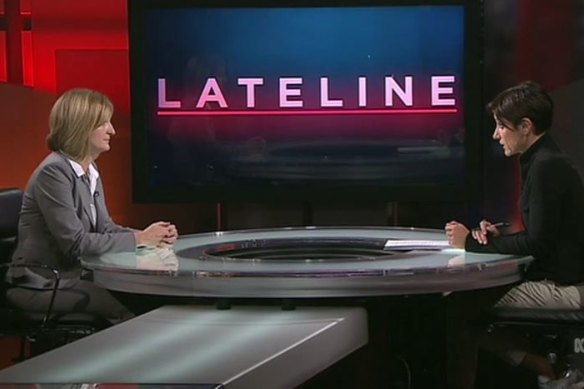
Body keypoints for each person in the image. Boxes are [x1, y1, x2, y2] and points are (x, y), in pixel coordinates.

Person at [444, 81, 584, 388]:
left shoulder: (547, 166)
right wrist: (496, 237)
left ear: (525, 126)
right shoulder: (543, 160)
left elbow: (538, 243)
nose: (496, 135)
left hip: (568, 287)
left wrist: (470, 243)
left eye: (501, 127)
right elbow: (545, 233)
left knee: (456, 306)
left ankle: (547, 368)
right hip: (558, 278)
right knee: (460, 305)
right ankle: (544, 366)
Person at [5, 88, 178, 324]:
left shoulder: (90, 169)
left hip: (77, 277)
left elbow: (104, 228)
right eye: (103, 123)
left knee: (147, 296)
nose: (112, 130)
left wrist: (149, 236)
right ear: (82, 127)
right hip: (43, 284)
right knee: (130, 311)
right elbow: (75, 243)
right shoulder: (53, 172)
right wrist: (141, 240)